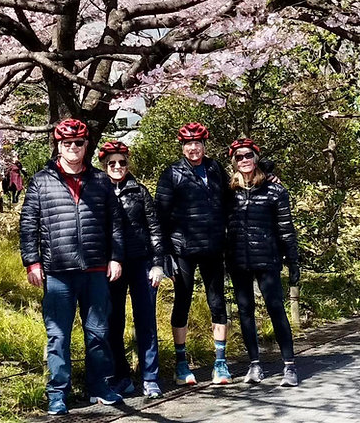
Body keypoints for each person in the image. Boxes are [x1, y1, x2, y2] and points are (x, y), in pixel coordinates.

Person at [19, 119, 125, 416]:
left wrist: (116, 257)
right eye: (67, 143)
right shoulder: (41, 180)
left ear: (86, 145)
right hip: (58, 271)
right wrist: (32, 261)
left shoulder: (101, 181)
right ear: (58, 145)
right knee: (58, 336)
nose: (73, 148)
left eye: (79, 143)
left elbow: (116, 223)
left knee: (98, 332)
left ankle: (99, 386)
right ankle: (57, 393)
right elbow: (28, 224)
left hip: (95, 269)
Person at [155, 122, 231, 385]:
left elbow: (232, 196)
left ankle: (220, 363)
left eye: (197, 143)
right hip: (182, 250)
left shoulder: (216, 169)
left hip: (213, 247)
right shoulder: (172, 174)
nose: (193, 148)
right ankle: (181, 364)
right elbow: (159, 217)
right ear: (182, 147)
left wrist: (265, 173)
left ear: (204, 145)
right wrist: (164, 254)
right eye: (188, 144)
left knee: (217, 303)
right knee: (182, 302)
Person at [225, 138, 300, 387]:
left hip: (267, 257)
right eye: (239, 157)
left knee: (276, 308)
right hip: (238, 259)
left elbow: (286, 228)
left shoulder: (275, 190)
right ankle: (254, 364)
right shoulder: (228, 192)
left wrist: (293, 261)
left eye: (248, 155)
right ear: (233, 162)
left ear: (256, 158)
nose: (244, 160)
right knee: (245, 311)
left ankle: (289, 365)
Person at [99, 140, 165, 400]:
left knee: (145, 321)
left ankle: (150, 377)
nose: (117, 166)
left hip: (141, 261)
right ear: (104, 166)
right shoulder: (99, 190)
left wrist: (157, 263)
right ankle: (121, 377)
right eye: (112, 163)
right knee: (113, 322)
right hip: (112, 264)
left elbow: (155, 228)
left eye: (122, 162)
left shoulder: (140, 191)